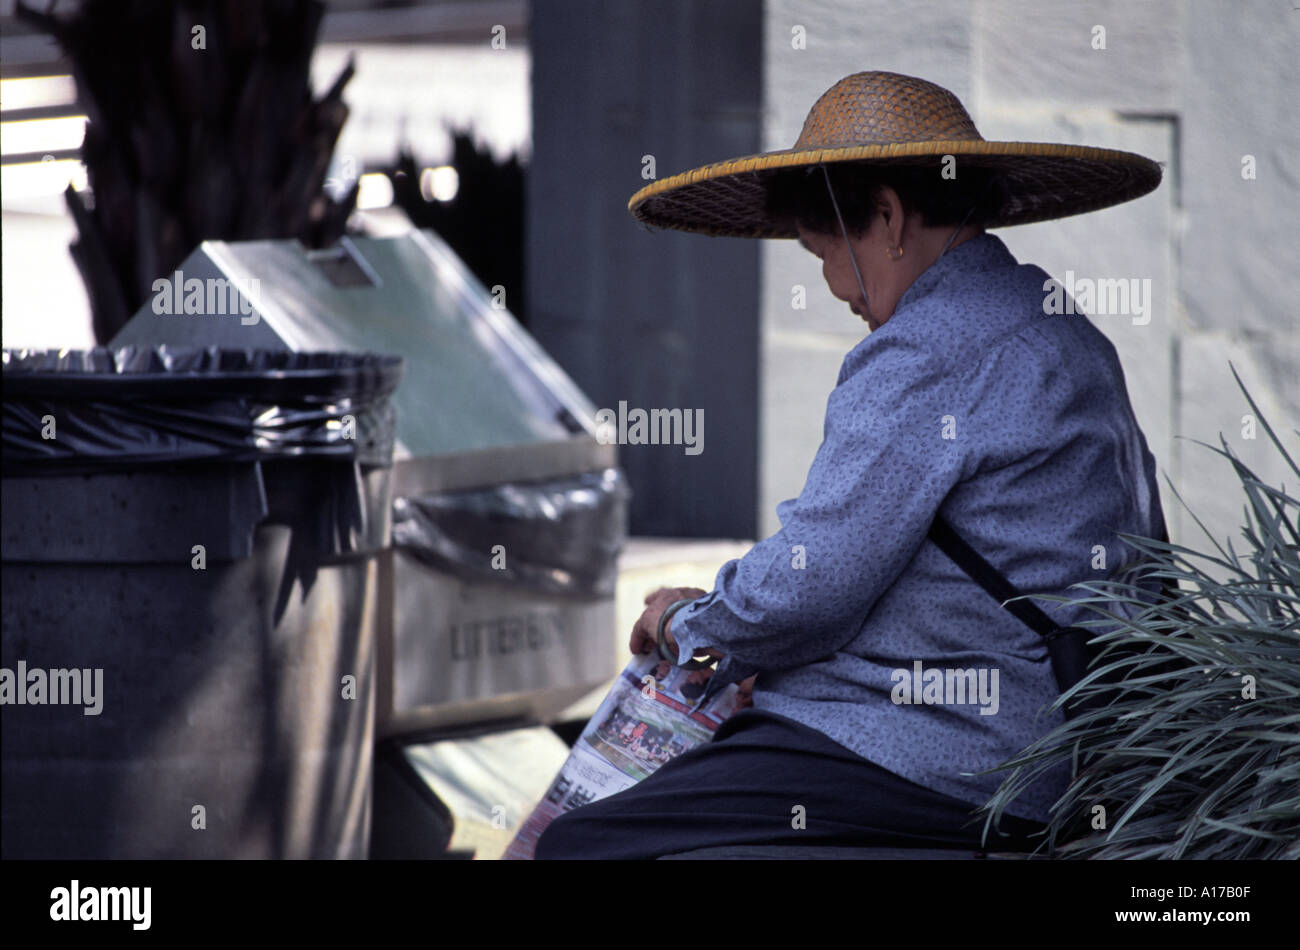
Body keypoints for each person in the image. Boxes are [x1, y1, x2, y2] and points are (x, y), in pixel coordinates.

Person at [535, 71, 1166, 860]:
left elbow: (810, 588)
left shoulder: (925, 347)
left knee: (582, 846)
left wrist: (683, 623)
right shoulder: (1061, 326)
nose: (837, 288)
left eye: (822, 252)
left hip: (938, 747)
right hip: (1063, 745)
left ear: (890, 218)